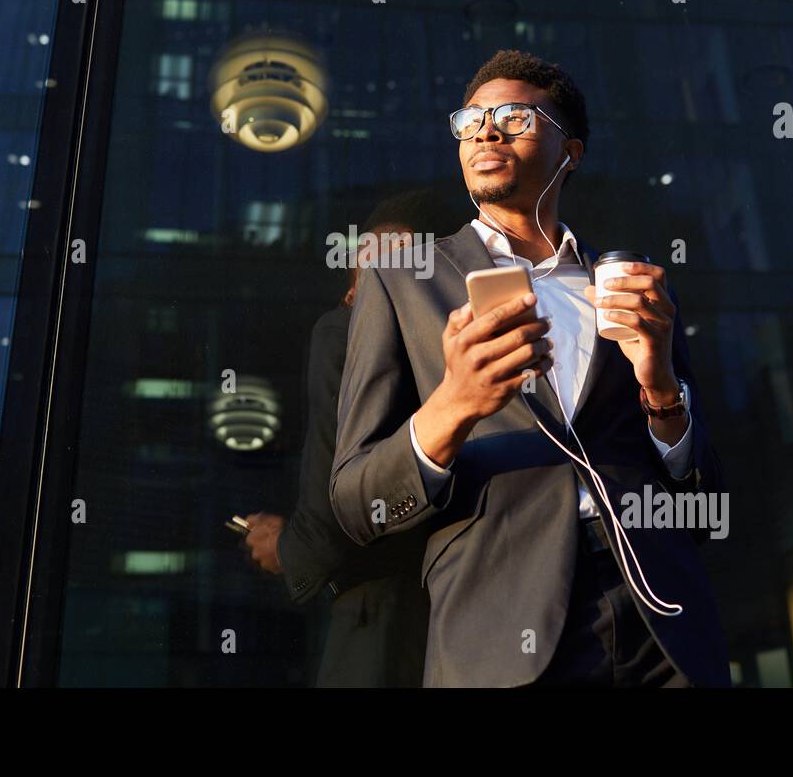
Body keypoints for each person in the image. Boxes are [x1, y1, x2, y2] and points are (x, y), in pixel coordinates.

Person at [329, 49, 730, 688]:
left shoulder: (628, 286)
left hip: (664, 626)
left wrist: (659, 386)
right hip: (502, 629)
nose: (486, 131)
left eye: (514, 116)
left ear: (570, 152)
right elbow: (357, 504)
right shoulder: (403, 281)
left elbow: (705, 500)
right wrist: (454, 404)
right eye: (471, 120)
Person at [241, 194, 440, 687]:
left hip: (381, 611)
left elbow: (336, 499)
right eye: (358, 279)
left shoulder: (341, 335)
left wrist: (287, 548)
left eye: (381, 281)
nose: (358, 298)